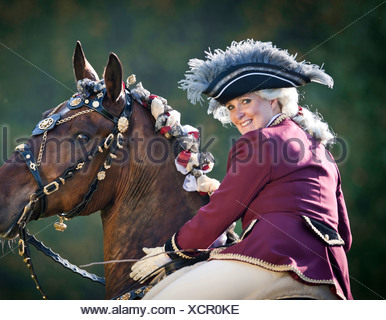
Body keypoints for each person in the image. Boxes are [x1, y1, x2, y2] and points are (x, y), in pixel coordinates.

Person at [130, 39, 352, 300]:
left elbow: (222, 212)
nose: (238, 115)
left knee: (155, 305)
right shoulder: (323, 151)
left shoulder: (261, 140)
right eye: (232, 107)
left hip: (277, 261)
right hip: (333, 276)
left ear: (273, 100)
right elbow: (344, 236)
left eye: (246, 101)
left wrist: (171, 250)